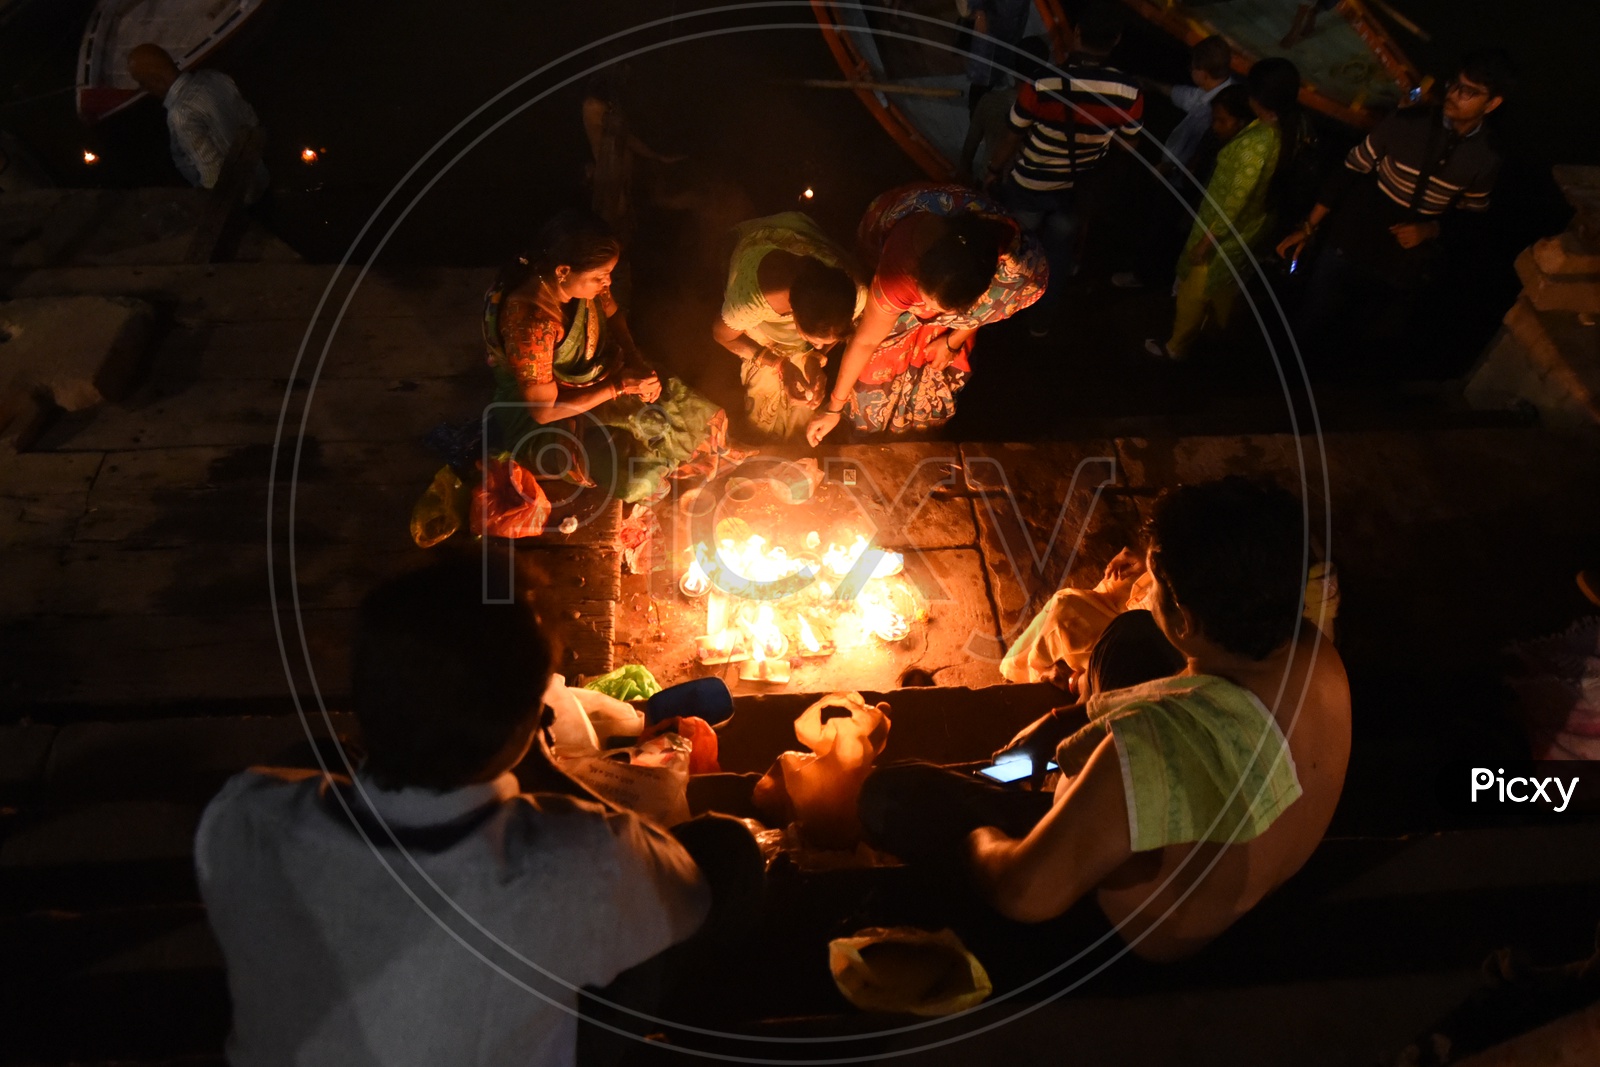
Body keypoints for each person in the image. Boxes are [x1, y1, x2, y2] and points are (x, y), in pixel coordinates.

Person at [194, 559, 716, 1066]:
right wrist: (542, 771)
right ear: (526, 728)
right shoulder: (582, 857)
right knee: (723, 850)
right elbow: (689, 892)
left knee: (319, 757)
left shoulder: (246, 813)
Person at [860, 477, 1352, 962]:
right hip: (1246, 866)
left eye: (1153, 586)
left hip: (1116, 935)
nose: (1146, 593)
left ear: (1186, 620)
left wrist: (973, 834)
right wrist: (1069, 716)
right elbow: (1195, 690)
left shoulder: (1144, 749)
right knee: (1131, 634)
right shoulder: (1314, 654)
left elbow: (1024, 894)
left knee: (893, 792)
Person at [1276, 50, 1512, 376]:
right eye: (1455, 85)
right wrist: (1308, 226)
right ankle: (1286, 374)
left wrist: (1430, 230)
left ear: (1492, 103)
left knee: (1362, 332)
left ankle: (1334, 382)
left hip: (1400, 261)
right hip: (1352, 238)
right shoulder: (1408, 122)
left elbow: (1471, 217)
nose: (1454, 95)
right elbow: (1350, 169)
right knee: (1313, 315)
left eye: (1469, 92)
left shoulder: (1486, 157)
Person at [485, 211, 728, 503]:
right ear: (563, 271)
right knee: (635, 476)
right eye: (599, 276)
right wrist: (619, 387)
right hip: (551, 414)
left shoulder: (577, 284)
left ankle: (666, 448)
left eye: (609, 273)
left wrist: (636, 360)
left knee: (692, 415)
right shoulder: (531, 324)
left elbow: (612, 313)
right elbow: (543, 411)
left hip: (598, 374)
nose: (607, 282)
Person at [802, 182, 1047, 445]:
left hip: (968, 281)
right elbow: (866, 341)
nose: (928, 314)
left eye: (941, 311)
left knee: (940, 371)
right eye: (925, 304)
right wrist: (834, 408)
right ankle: (867, 435)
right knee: (875, 366)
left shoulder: (1015, 272)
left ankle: (921, 437)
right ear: (918, 274)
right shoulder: (897, 273)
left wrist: (953, 341)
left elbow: (985, 310)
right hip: (902, 258)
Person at [981, 1, 1144, 337]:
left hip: (1030, 183)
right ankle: (1041, 319)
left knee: (1015, 248)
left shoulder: (1043, 82)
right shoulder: (1129, 92)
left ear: (1077, 34)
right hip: (1077, 190)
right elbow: (1129, 145)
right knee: (1057, 254)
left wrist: (993, 171)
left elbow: (1013, 135)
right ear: (1116, 40)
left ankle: (999, 313)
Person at [1145, 62, 1296, 361]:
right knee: (1222, 290)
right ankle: (1211, 331)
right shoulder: (1283, 130)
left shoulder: (1255, 145)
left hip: (1219, 234)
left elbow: (1233, 203)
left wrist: (1205, 243)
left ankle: (1176, 347)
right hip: (1247, 231)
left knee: (1193, 293)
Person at [713, 212, 864, 440]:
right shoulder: (752, 299)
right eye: (814, 341)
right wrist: (778, 363)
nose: (819, 346)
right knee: (763, 403)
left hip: (798, 232)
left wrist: (814, 358)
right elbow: (723, 335)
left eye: (824, 342)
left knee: (803, 407)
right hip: (752, 240)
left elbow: (836, 332)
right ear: (792, 314)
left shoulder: (855, 293)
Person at [1113, 35, 1236, 290]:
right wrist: (1151, 84)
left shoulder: (1216, 111)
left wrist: (1167, 167)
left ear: (1202, 73)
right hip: (1180, 174)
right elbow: (1185, 95)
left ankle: (1145, 275)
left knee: (1161, 227)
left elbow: (1198, 150)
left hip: (1184, 181)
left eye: (1193, 67)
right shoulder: (1218, 91)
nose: (1189, 70)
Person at [125, 43, 267, 203]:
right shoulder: (214, 77)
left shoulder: (181, 114)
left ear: (157, 80)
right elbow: (252, 121)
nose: (145, 89)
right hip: (261, 178)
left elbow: (212, 173)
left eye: (143, 83)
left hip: (241, 201)